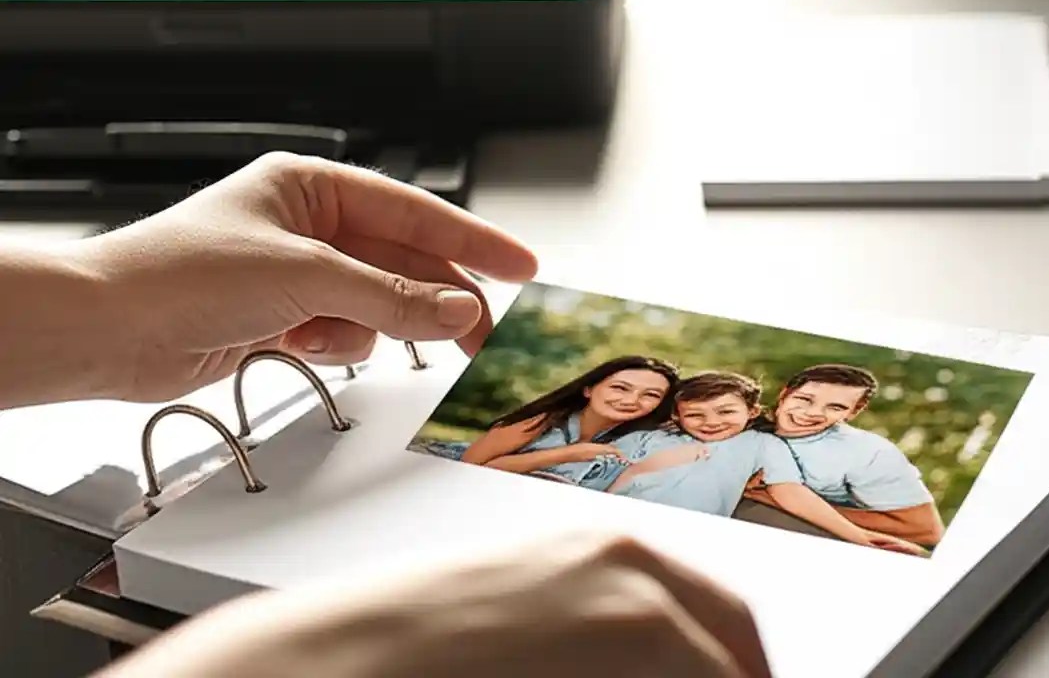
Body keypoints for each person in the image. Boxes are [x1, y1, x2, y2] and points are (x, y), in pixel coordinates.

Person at [0, 152, 772, 678]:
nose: (636, 402)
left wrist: (109, 300)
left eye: (651, 397)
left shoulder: (669, 441)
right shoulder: (546, 426)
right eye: (624, 387)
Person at [602, 372, 926, 555]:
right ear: (677, 415)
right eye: (696, 415)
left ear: (752, 412)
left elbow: (791, 492)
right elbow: (593, 473)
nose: (711, 422)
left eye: (726, 412)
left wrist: (858, 536)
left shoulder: (762, 444)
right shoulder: (650, 438)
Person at [740, 364, 946, 548]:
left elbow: (926, 531)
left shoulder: (869, 452)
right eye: (804, 399)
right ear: (785, 393)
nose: (812, 413)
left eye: (835, 407)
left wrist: (773, 499)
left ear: (853, 412)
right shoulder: (741, 422)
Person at [458, 355, 680, 489]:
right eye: (620, 388)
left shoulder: (644, 439)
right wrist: (568, 454)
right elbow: (467, 467)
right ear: (588, 389)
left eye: (651, 395)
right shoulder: (541, 420)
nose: (631, 401)